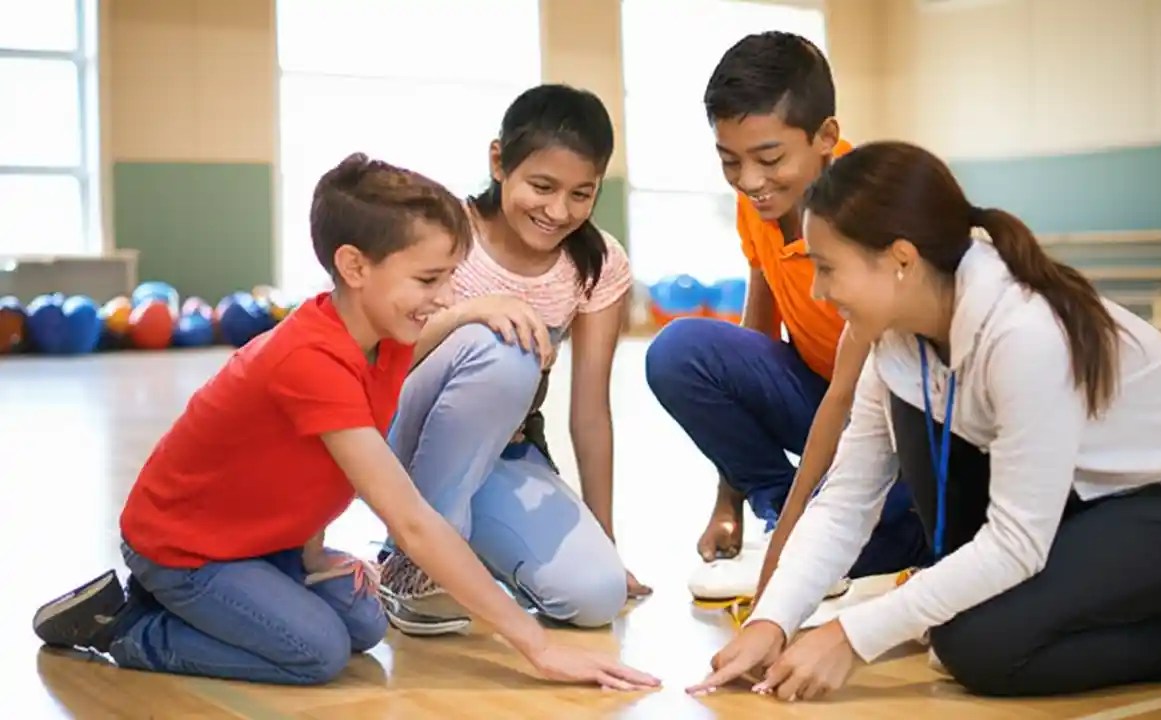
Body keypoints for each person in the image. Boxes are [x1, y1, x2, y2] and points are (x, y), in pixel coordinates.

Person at [31, 153, 660, 692]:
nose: (446, 295)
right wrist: (537, 646)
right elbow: (411, 523)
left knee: (364, 624)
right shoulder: (311, 359)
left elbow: (296, 464)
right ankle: (127, 626)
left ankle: (208, 601)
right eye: (429, 279)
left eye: (449, 277)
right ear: (355, 267)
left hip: (263, 543)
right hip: (184, 550)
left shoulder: (382, 332)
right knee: (318, 653)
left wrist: (477, 311)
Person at [690, 140, 1161, 702]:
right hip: (1086, 500)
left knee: (980, 647)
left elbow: (1018, 541)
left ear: (900, 259)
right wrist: (773, 621)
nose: (818, 291)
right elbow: (846, 499)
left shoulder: (1024, 332)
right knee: (957, 620)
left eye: (827, 268)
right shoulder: (894, 338)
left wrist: (851, 636)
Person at [643, 31, 929, 598]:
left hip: (897, 418)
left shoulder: (878, 207)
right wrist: (729, 499)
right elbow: (758, 332)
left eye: (770, 159)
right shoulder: (757, 205)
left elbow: (872, 391)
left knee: (890, 529)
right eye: (730, 161)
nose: (750, 180)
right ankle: (785, 513)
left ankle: (846, 530)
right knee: (678, 352)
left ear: (826, 137)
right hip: (820, 398)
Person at [375, 83, 651, 637]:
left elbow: (591, 413)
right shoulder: (441, 230)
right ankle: (414, 563)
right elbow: (372, 358)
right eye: (542, 187)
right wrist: (470, 313)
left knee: (596, 597)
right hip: (397, 434)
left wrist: (606, 539)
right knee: (506, 347)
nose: (558, 211)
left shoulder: (599, 263)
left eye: (581, 193)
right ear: (499, 162)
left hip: (501, 452)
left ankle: (462, 548)